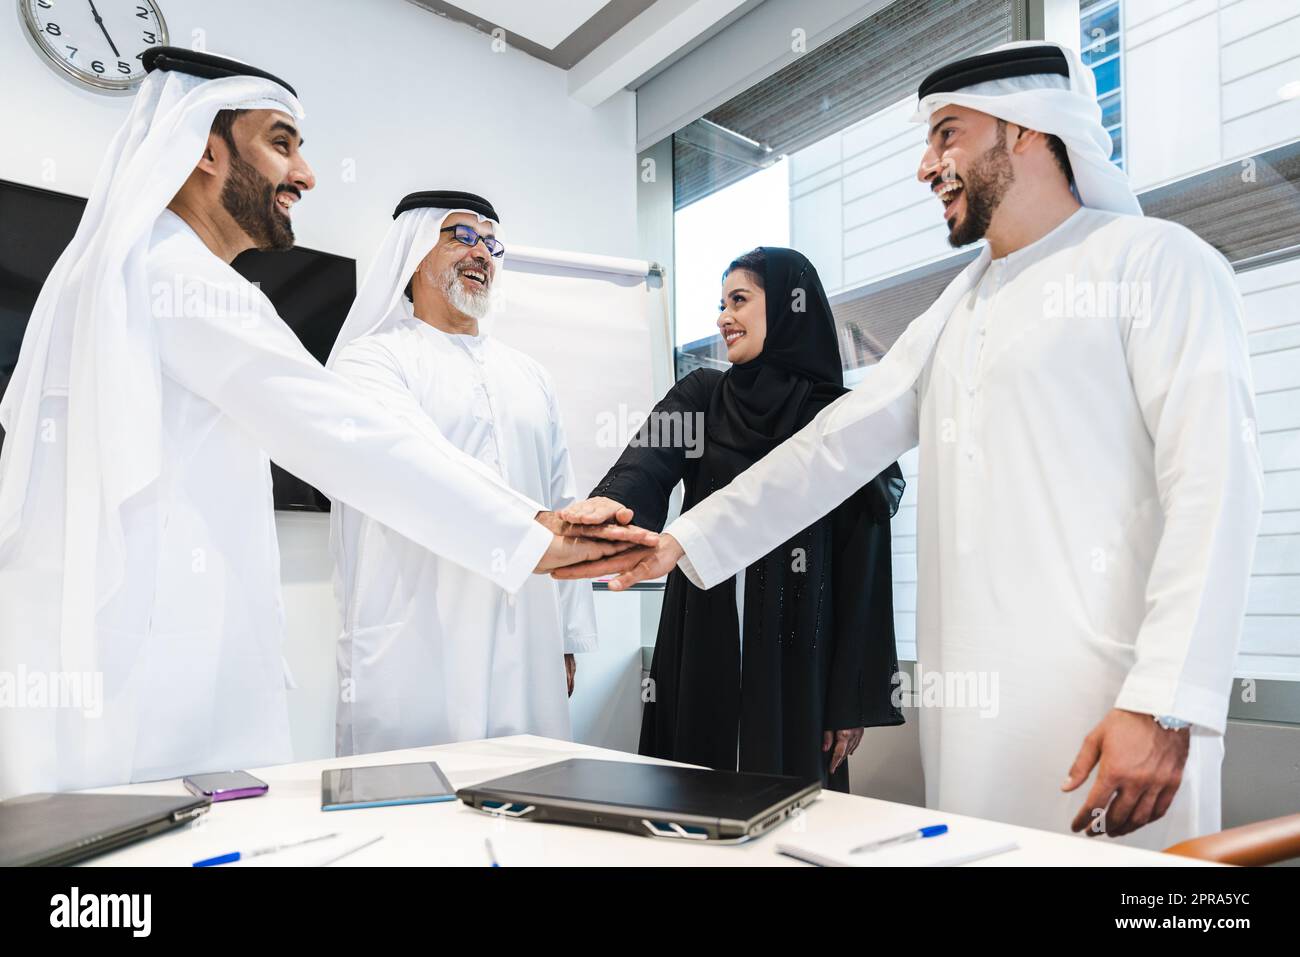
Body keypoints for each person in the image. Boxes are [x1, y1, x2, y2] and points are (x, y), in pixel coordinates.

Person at [557, 41, 1263, 847]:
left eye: (948, 134)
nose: (927, 166)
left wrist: (1165, 697)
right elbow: (824, 454)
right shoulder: (957, 309)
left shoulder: (1161, 264)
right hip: (973, 742)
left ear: (1028, 131)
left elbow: (1217, 484)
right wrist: (680, 540)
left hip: (1111, 712)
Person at [0, 48, 646, 798]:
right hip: (150, 690)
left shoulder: (136, 269)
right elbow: (353, 438)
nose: (305, 174)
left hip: (134, 675)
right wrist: (535, 534)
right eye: (282, 143)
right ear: (206, 148)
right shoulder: (179, 280)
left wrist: (541, 547)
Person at [561, 247, 905, 790]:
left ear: (790, 309)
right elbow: (646, 462)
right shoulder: (703, 396)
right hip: (702, 631)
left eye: (739, 300)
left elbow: (862, 563)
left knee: (792, 813)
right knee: (695, 798)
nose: (723, 317)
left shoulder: (838, 419)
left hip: (800, 653)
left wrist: (851, 697)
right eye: (721, 303)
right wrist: (613, 501)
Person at [329, 191, 598, 754]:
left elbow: (561, 495)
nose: (482, 253)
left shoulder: (529, 375)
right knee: (422, 815)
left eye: (491, 243)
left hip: (529, 634)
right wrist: (533, 527)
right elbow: (417, 468)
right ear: (414, 253)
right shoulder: (373, 361)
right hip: (419, 634)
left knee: (533, 800)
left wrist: (566, 639)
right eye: (462, 236)